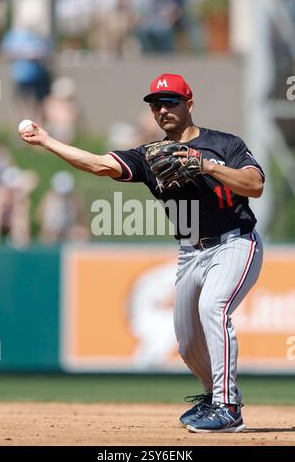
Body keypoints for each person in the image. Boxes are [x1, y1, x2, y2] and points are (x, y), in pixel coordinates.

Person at [20, 73, 264, 433]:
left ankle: (228, 407)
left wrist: (207, 166)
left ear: (189, 104)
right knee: (187, 343)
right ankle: (216, 397)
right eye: (156, 104)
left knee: (214, 307)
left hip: (235, 242)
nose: (162, 109)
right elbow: (97, 163)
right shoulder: (151, 156)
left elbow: (255, 185)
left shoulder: (225, 144)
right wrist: (47, 141)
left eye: (170, 102)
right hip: (190, 252)